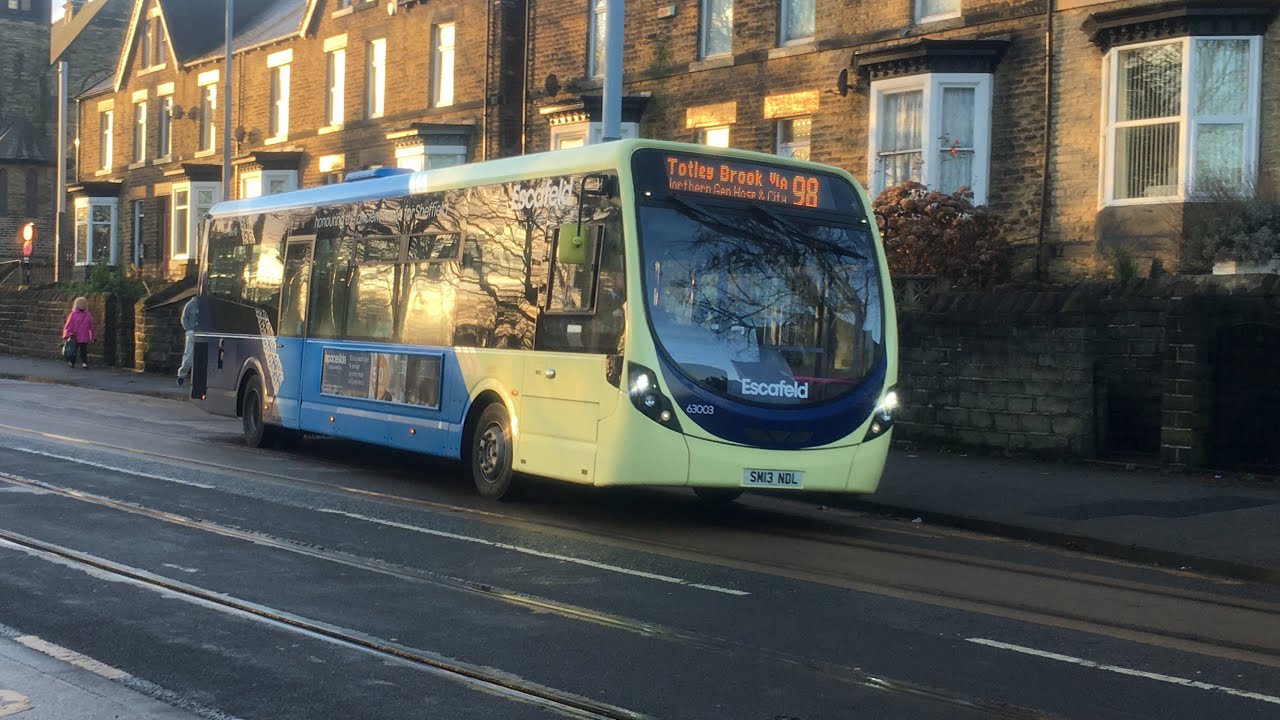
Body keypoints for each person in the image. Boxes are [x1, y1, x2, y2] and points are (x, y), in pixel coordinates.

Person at [62, 297, 96, 369]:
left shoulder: (88, 314)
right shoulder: (73, 314)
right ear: (76, 304)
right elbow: (68, 326)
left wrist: (93, 337)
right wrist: (66, 335)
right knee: (73, 350)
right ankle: (72, 362)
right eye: (80, 304)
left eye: (84, 303)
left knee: (83, 351)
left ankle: (84, 362)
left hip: (84, 336)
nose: (82, 305)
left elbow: (91, 327)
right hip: (75, 336)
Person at [177, 296, 198, 386]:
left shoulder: (207, 305)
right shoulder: (190, 305)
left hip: (203, 334)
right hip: (192, 333)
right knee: (189, 357)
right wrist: (189, 330)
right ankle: (181, 376)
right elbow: (184, 318)